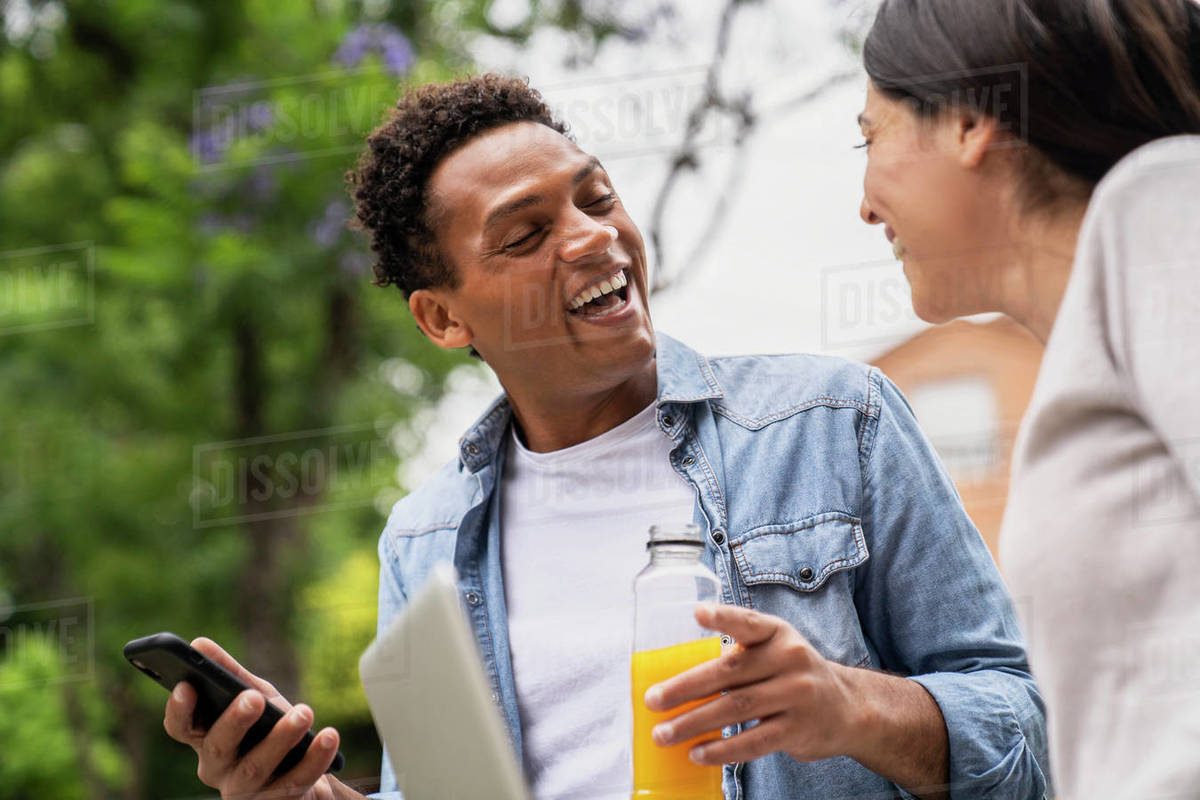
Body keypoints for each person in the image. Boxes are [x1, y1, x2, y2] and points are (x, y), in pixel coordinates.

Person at [162, 74, 1051, 799]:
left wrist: (850, 705)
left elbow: (1026, 729)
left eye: (596, 197)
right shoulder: (423, 541)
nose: (595, 238)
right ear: (441, 318)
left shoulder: (831, 422)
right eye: (526, 234)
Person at [856, 1, 1200, 797]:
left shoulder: (1161, 208)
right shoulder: (1089, 349)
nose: (865, 203)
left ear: (970, 124)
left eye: (869, 137)